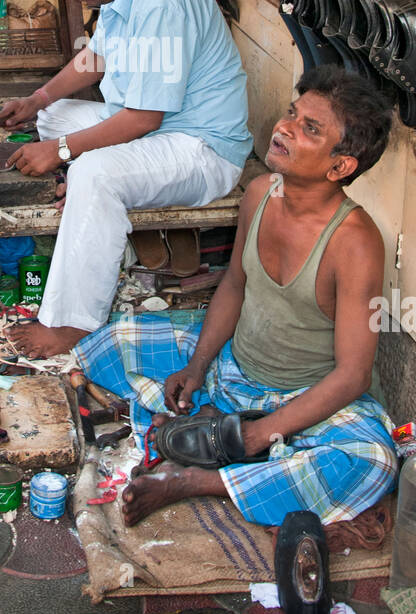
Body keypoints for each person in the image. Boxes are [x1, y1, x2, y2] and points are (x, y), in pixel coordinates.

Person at [75, 66, 398, 530]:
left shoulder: (356, 241)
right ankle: (218, 423)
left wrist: (261, 432)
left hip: (305, 399)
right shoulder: (261, 192)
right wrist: (198, 365)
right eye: (292, 113)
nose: (284, 128)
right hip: (233, 369)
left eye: (310, 128)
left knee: (373, 462)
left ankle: (198, 480)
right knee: (111, 341)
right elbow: (234, 285)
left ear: (340, 165)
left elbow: (352, 376)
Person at [0, 0, 252, 357]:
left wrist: (64, 153)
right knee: (54, 116)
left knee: (92, 173)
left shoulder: (162, 3)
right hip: (154, 130)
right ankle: (85, 179)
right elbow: (95, 58)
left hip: (201, 148)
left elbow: (143, 118)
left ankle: (72, 322)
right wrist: (36, 99)